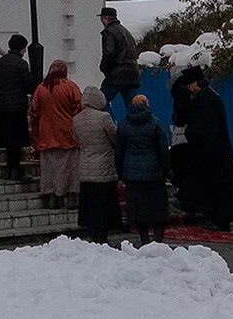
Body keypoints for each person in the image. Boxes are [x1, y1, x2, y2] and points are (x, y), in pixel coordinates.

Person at [169, 65, 233, 232]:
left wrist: (192, 134)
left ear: (197, 83)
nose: (189, 88)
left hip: (211, 151)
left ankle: (218, 220)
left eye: (190, 85)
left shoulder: (206, 100)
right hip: (211, 150)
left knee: (215, 187)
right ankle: (213, 217)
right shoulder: (206, 97)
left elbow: (203, 127)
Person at [115, 92, 171, 246]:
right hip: (154, 174)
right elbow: (163, 150)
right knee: (158, 207)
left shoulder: (123, 126)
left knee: (138, 209)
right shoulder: (155, 123)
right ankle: (158, 239)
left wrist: (120, 173)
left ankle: (144, 239)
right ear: (147, 105)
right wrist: (167, 170)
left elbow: (119, 152)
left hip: (132, 175)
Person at [32, 59, 84, 209]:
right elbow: (79, 107)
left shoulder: (41, 88)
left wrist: (36, 133)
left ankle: (52, 197)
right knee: (70, 169)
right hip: (68, 135)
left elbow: (34, 112)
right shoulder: (70, 87)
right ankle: (71, 196)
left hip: (46, 135)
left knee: (49, 169)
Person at [73, 85, 121, 241]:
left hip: (85, 167)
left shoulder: (76, 119)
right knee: (104, 205)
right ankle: (102, 236)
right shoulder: (104, 117)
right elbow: (115, 138)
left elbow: (78, 141)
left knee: (90, 205)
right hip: (104, 166)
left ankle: (93, 235)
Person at [0, 32, 38, 181]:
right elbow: (29, 85)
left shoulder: (0, 62)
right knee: (17, 141)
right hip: (17, 108)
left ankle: (10, 169)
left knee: (8, 139)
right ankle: (16, 170)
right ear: (22, 48)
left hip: (3, 107)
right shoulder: (21, 64)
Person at [98, 5, 142, 112]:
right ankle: (139, 125)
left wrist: (103, 67)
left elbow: (109, 53)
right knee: (135, 106)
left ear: (106, 19)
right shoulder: (126, 31)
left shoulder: (109, 32)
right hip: (132, 74)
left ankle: (107, 125)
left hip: (117, 75)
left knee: (99, 102)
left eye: (101, 19)